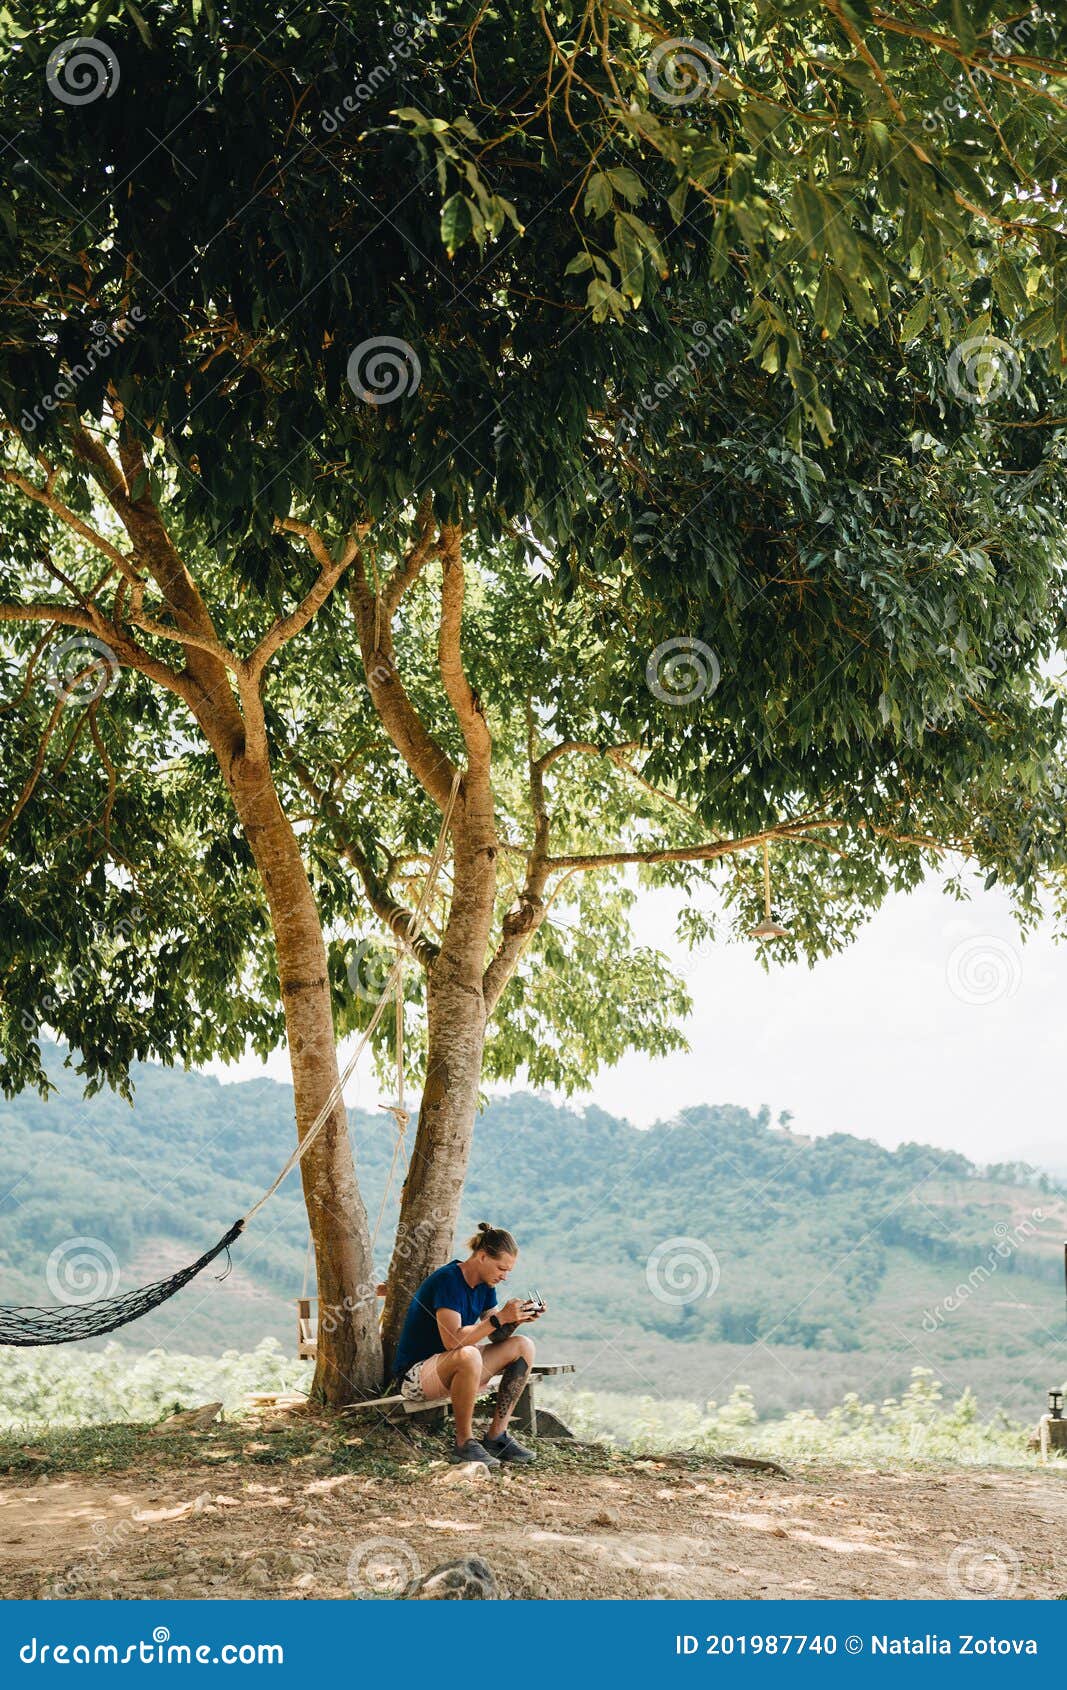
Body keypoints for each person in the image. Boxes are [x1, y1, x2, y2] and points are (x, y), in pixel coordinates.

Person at [391, 1222, 545, 1467]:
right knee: (468, 1354)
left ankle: (496, 1436)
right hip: (416, 1376)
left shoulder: (486, 1285)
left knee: (523, 1345)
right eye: (501, 1268)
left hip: (453, 1366)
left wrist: (515, 1321)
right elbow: (452, 1340)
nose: (504, 1276)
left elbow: (495, 1335)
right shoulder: (448, 1280)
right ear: (482, 1256)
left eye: (508, 1271)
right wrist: (500, 1317)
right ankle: (464, 1443)